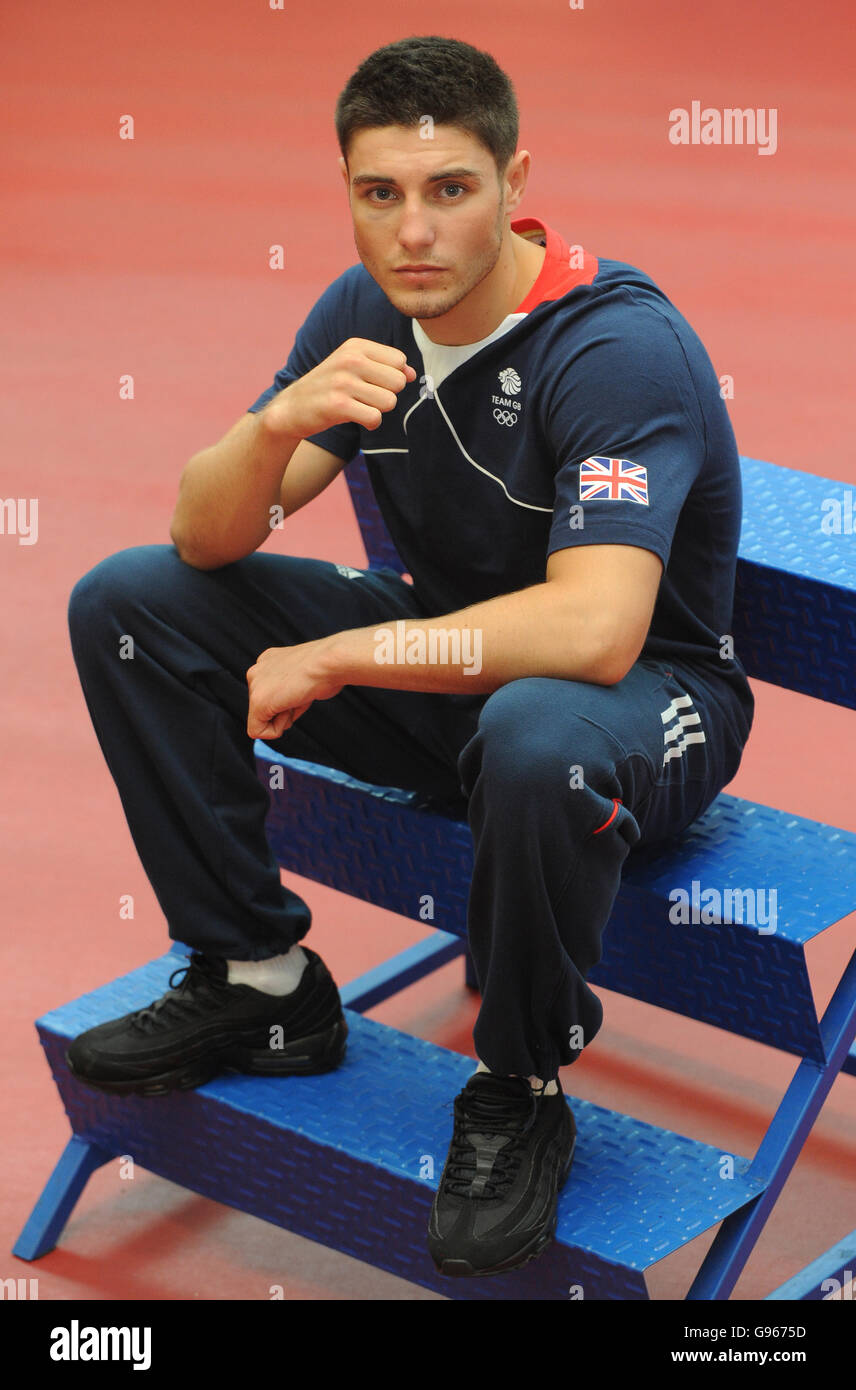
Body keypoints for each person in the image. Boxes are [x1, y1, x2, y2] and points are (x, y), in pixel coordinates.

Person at [65, 34, 754, 1279]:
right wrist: (276, 421)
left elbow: (595, 630)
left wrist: (339, 651)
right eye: (379, 194)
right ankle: (258, 975)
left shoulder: (612, 348)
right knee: (130, 602)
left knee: (535, 734)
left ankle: (520, 1086)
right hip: (457, 685)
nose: (413, 233)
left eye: (450, 191)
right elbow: (202, 535)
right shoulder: (367, 312)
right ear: (347, 192)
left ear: (514, 177)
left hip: (640, 703)